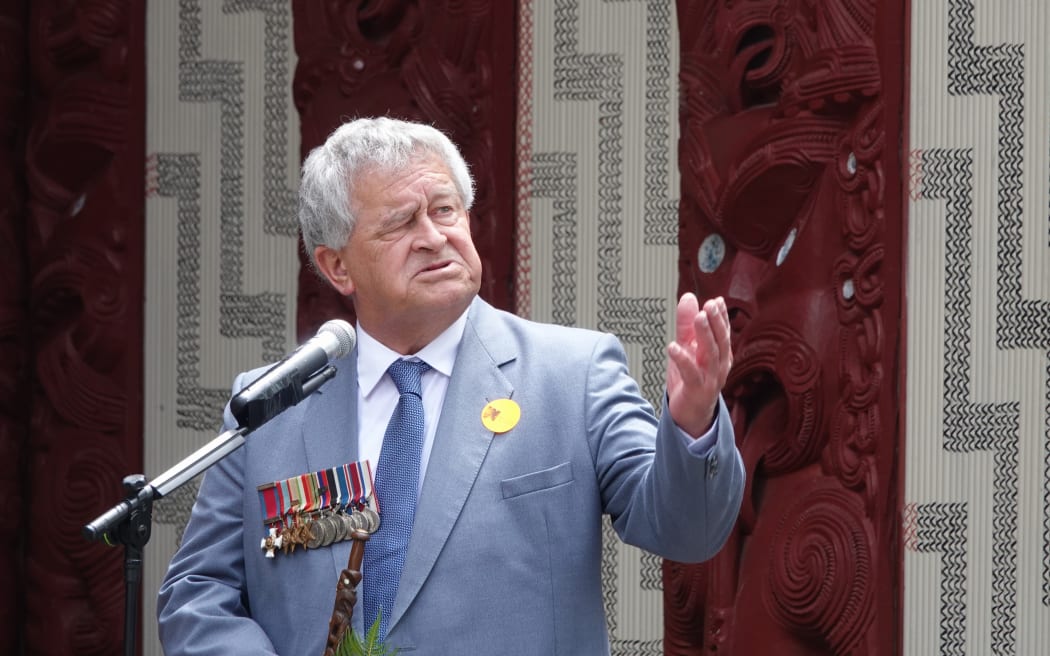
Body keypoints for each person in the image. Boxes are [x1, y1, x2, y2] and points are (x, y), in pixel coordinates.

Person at [157, 117, 745, 655]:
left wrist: (693, 423)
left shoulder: (572, 373)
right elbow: (197, 591)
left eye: (445, 211)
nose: (434, 237)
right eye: (399, 223)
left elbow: (685, 531)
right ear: (337, 266)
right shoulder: (272, 406)